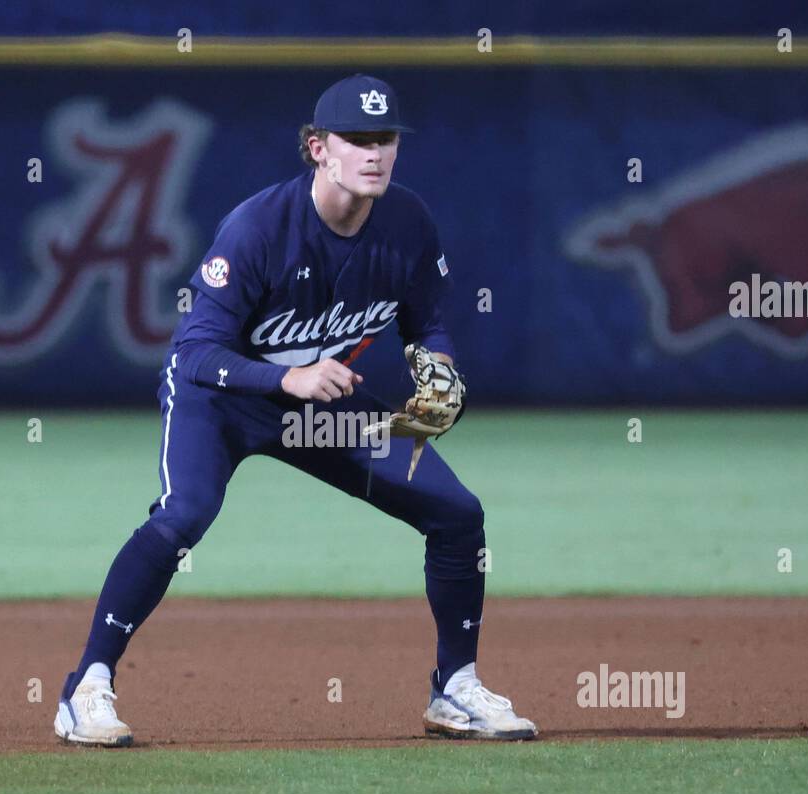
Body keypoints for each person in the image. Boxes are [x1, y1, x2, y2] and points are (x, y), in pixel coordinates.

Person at [54, 75, 537, 746]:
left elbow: (425, 323)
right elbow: (193, 354)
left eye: (387, 138)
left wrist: (440, 370)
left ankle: (455, 689)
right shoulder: (258, 229)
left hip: (320, 401)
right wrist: (288, 380)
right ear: (318, 147)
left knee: (457, 513)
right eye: (358, 139)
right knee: (184, 513)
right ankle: (87, 686)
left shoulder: (407, 222)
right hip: (223, 399)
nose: (375, 152)